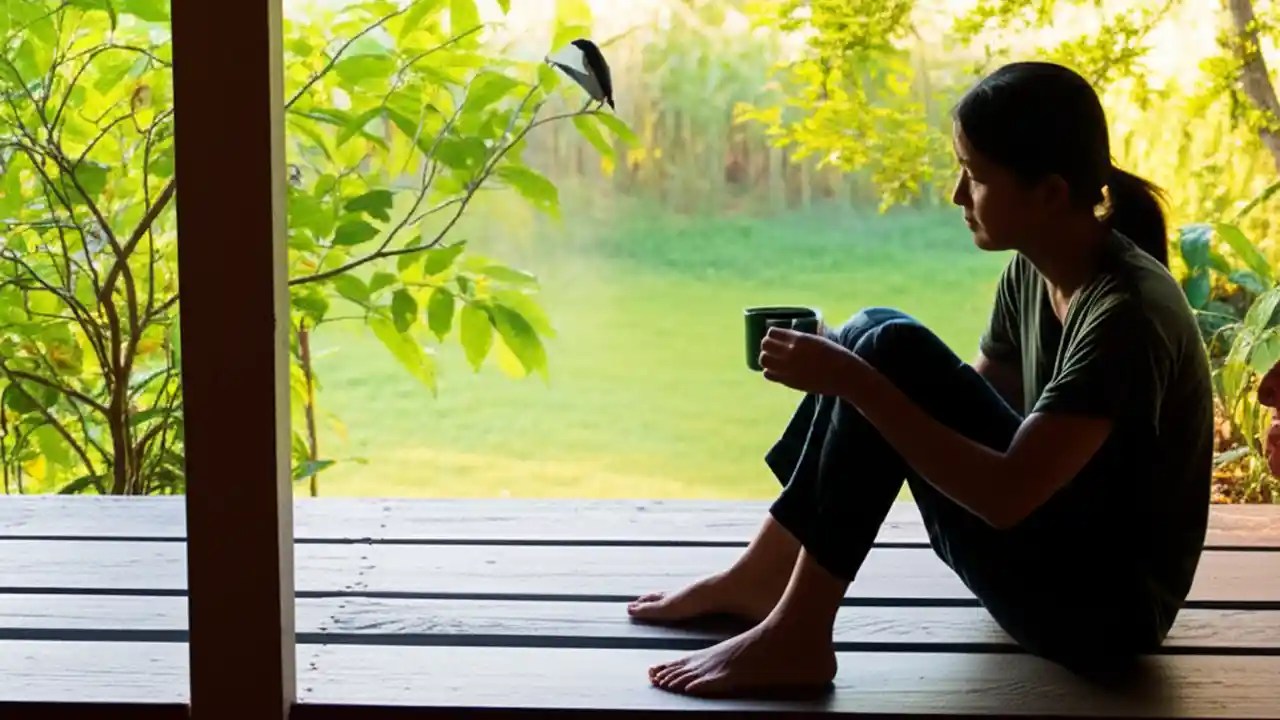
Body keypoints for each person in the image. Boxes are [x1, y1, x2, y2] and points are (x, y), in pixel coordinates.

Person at [626, 60, 1214, 699]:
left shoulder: (1126, 315)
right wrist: (847, 363)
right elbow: (965, 408)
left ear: (1049, 193)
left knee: (884, 355)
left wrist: (856, 381)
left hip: (1101, 618)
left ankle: (797, 633)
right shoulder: (1037, 271)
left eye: (975, 175)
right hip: (1054, 563)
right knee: (876, 333)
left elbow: (1006, 493)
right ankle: (759, 578)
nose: (958, 195)